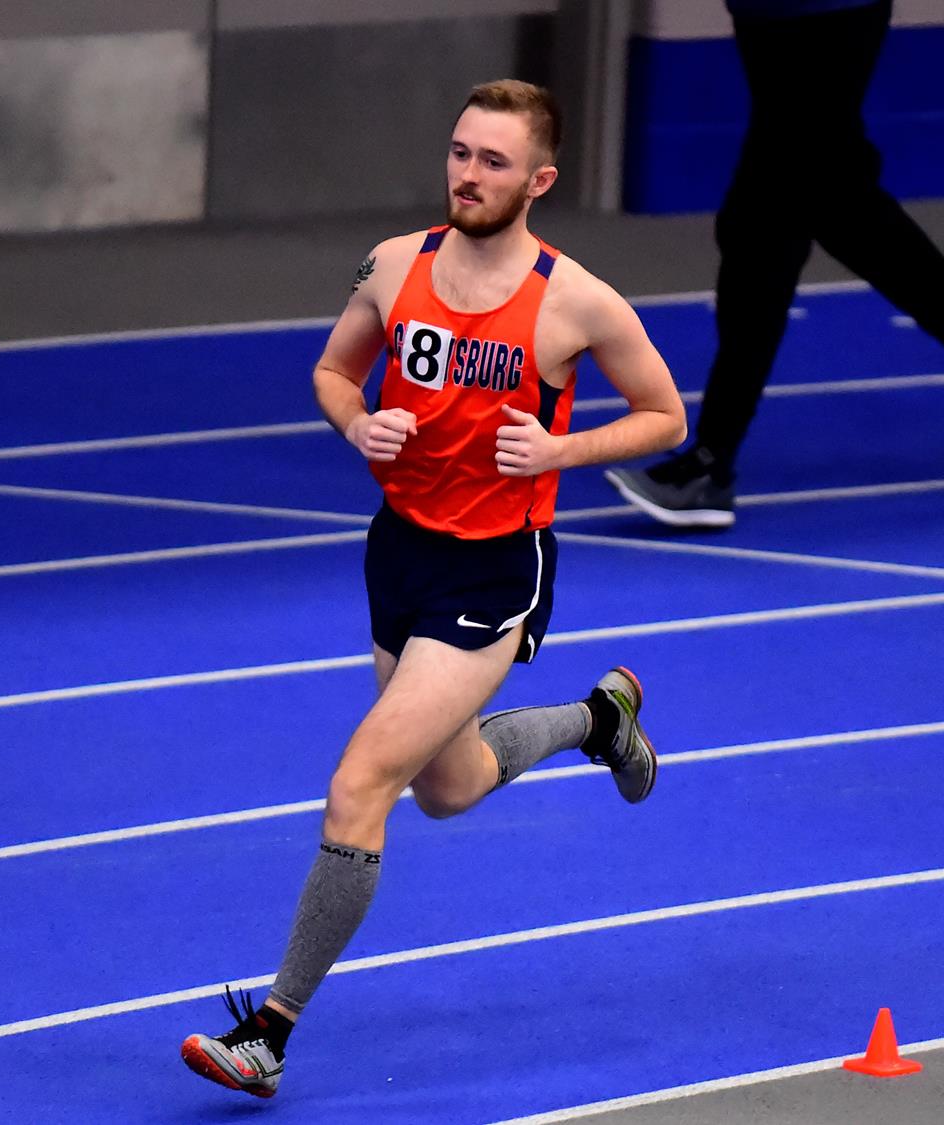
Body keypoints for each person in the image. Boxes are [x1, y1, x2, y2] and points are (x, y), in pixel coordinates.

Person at [179, 79, 688, 1099]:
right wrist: (356, 423)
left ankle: (269, 1034)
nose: (468, 174)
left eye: (493, 161)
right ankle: (598, 720)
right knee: (446, 788)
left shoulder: (575, 300)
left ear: (538, 181)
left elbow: (665, 417)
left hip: (493, 567)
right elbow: (333, 373)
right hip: (399, 550)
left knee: (359, 784)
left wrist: (561, 448)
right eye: (460, 152)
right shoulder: (393, 265)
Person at [605, 0, 944, 529]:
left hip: (826, 11)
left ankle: (711, 464)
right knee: (831, 205)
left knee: (765, 222)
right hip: (771, 13)